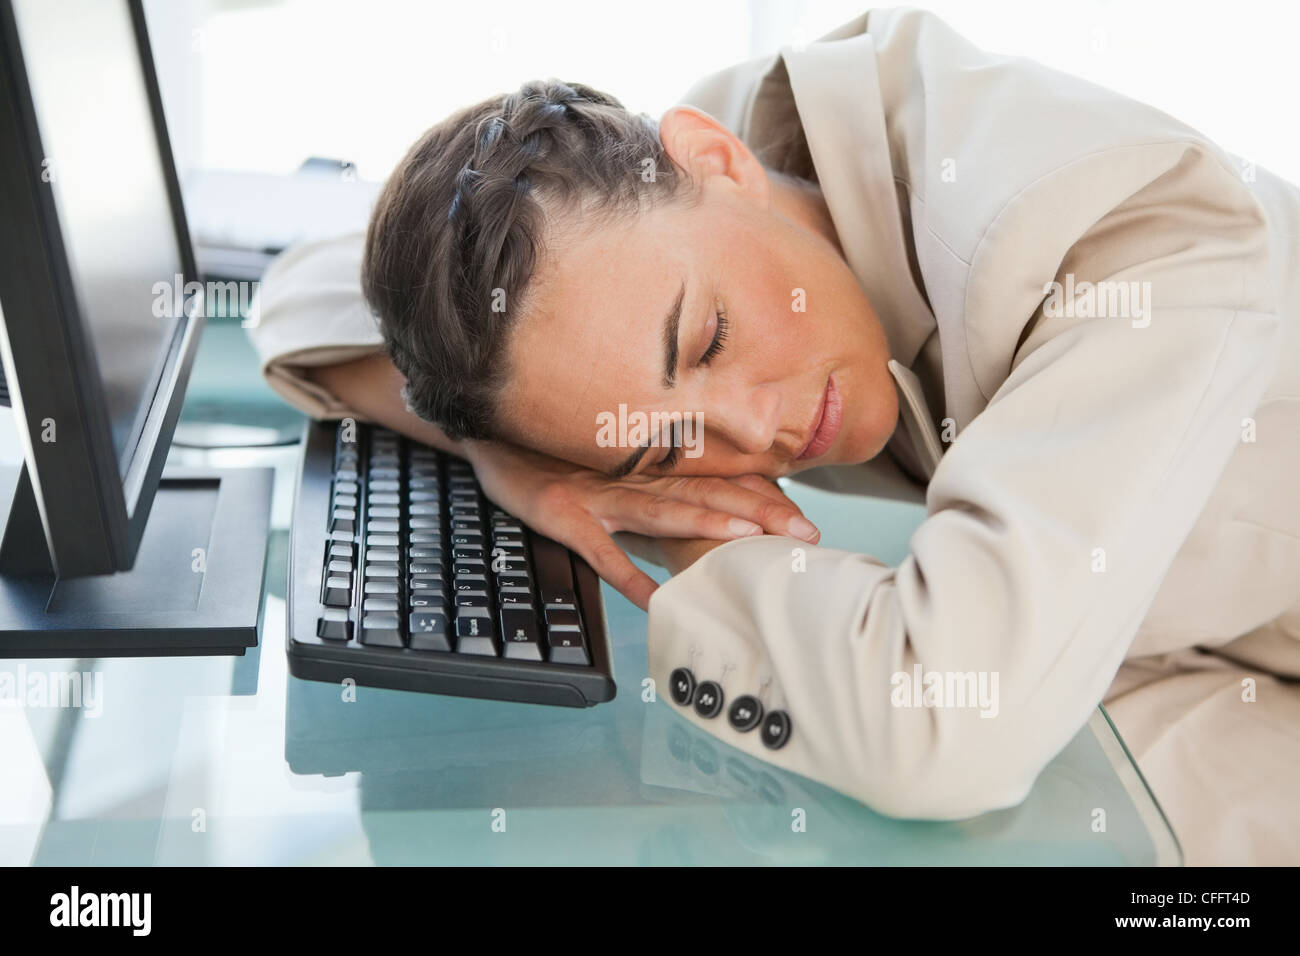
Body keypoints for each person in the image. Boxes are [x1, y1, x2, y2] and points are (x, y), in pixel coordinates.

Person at [246, 8, 1300, 864]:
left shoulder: (1120, 227)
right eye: (659, 450)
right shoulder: (657, 209)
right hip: (1170, 652)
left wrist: (686, 526)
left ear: (717, 157)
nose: (758, 432)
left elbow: (942, 735)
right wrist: (508, 449)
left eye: (705, 340)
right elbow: (305, 285)